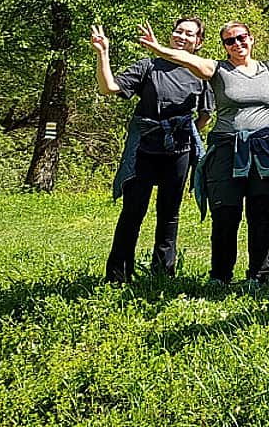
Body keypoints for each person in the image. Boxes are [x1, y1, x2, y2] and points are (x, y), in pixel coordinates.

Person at [138, 20, 269, 288]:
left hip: (263, 150)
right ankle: (220, 275)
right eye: (230, 41)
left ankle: (259, 274)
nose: (237, 44)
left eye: (241, 38)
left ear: (251, 38)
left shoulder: (268, 69)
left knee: (260, 212)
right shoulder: (217, 69)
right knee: (226, 213)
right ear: (224, 46)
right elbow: (186, 58)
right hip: (226, 149)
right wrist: (159, 49)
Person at [90, 19, 212, 283]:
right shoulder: (148, 66)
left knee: (169, 214)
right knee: (133, 212)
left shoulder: (201, 73)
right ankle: (117, 276)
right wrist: (103, 53)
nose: (181, 36)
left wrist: (183, 132)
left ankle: (163, 275)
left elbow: (205, 116)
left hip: (179, 151)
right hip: (143, 150)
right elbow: (108, 87)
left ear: (198, 42)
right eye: (178, 31)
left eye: (189, 34)